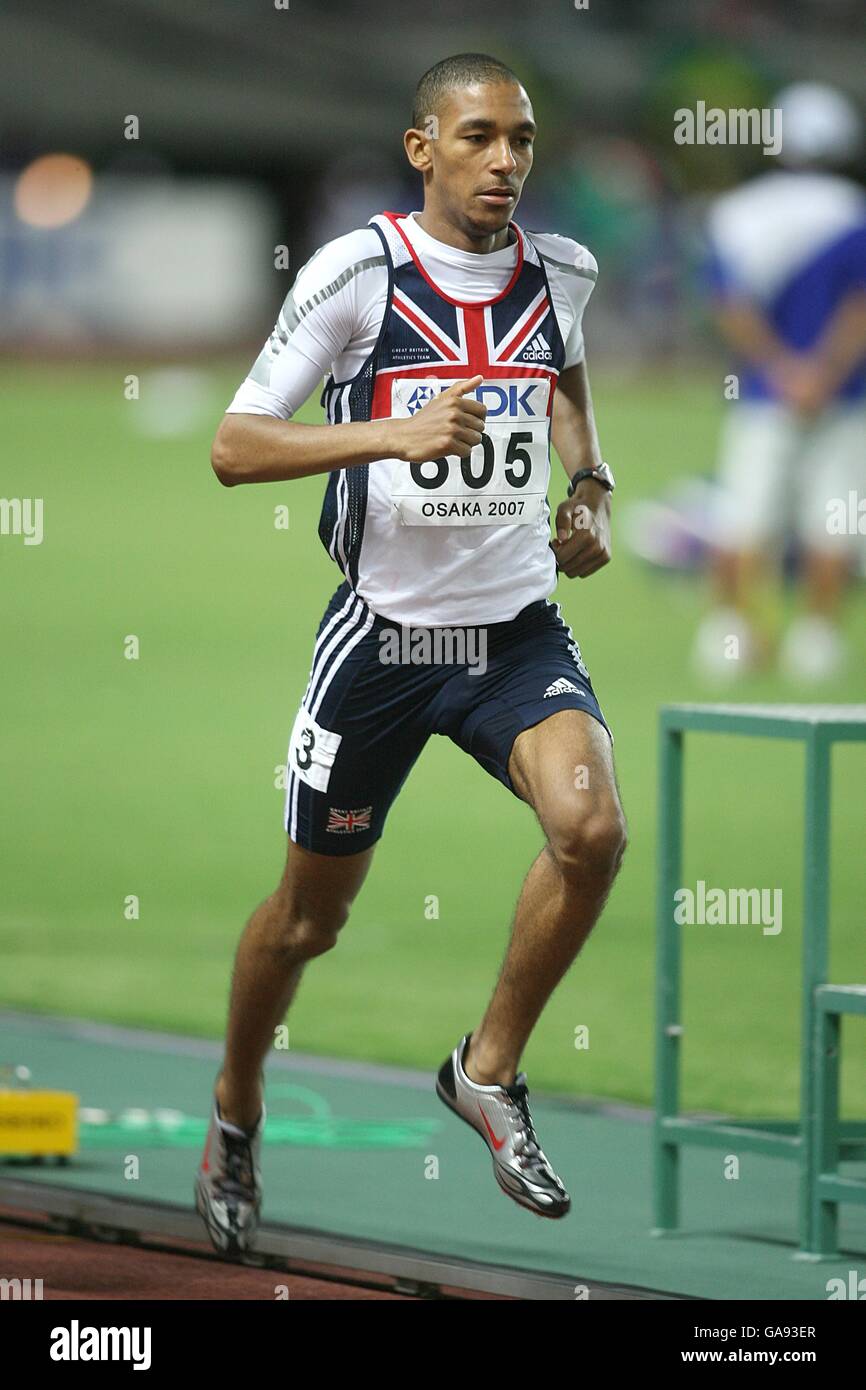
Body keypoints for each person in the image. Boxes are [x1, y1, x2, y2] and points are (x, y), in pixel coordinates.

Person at [195, 52, 626, 1255]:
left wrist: (588, 482)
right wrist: (387, 429)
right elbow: (233, 446)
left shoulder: (562, 272)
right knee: (305, 923)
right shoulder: (358, 272)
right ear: (421, 147)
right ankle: (235, 1106)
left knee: (590, 832)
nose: (505, 162)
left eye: (522, 141)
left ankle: (485, 1072)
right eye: (479, 137)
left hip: (511, 633)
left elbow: (566, 382)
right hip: (382, 643)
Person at [695, 82, 866, 681]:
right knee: (834, 521)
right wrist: (821, 374)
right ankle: (816, 644)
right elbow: (860, 306)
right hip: (842, 398)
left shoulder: (736, 212)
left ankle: (731, 638)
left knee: (743, 518)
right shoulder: (855, 210)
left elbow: (728, 307)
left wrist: (780, 369)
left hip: (763, 397)